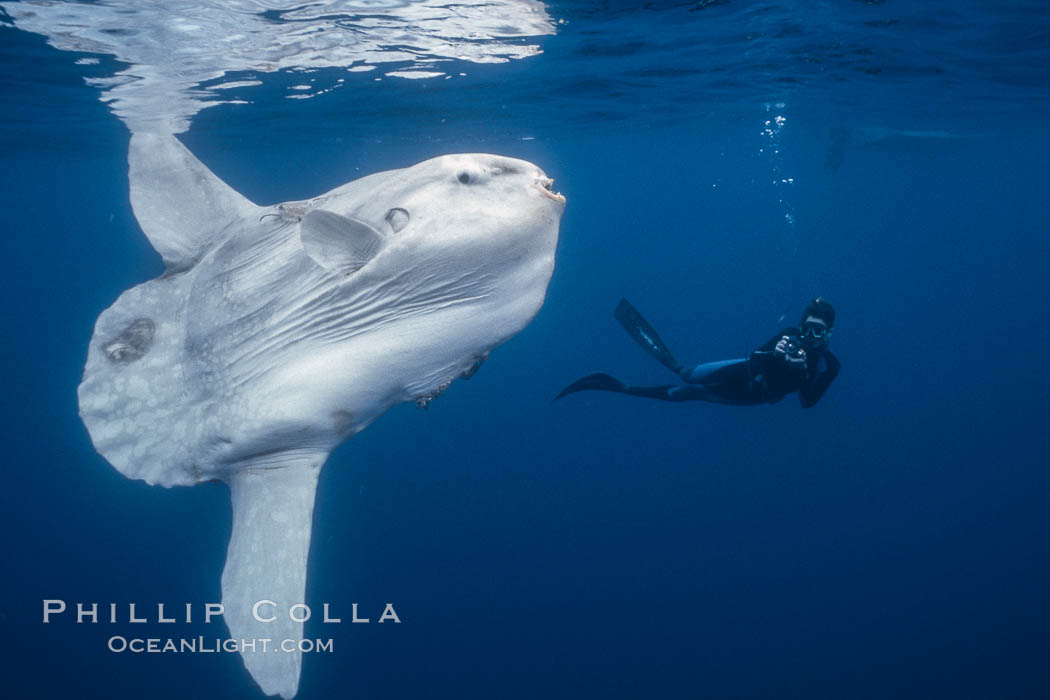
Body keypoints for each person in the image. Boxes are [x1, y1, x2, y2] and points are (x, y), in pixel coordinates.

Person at [555, 297, 840, 408]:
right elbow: (755, 357)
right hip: (748, 371)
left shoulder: (827, 365)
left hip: (755, 395)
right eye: (807, 328)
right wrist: (776, 355)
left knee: (686, 394)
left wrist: (810, 374)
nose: (809, 336)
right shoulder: (789, 336)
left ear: (828, 333)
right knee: (687, 374)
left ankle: (620, 387)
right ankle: (640, 354)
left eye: (818, 332)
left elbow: (807, 401)